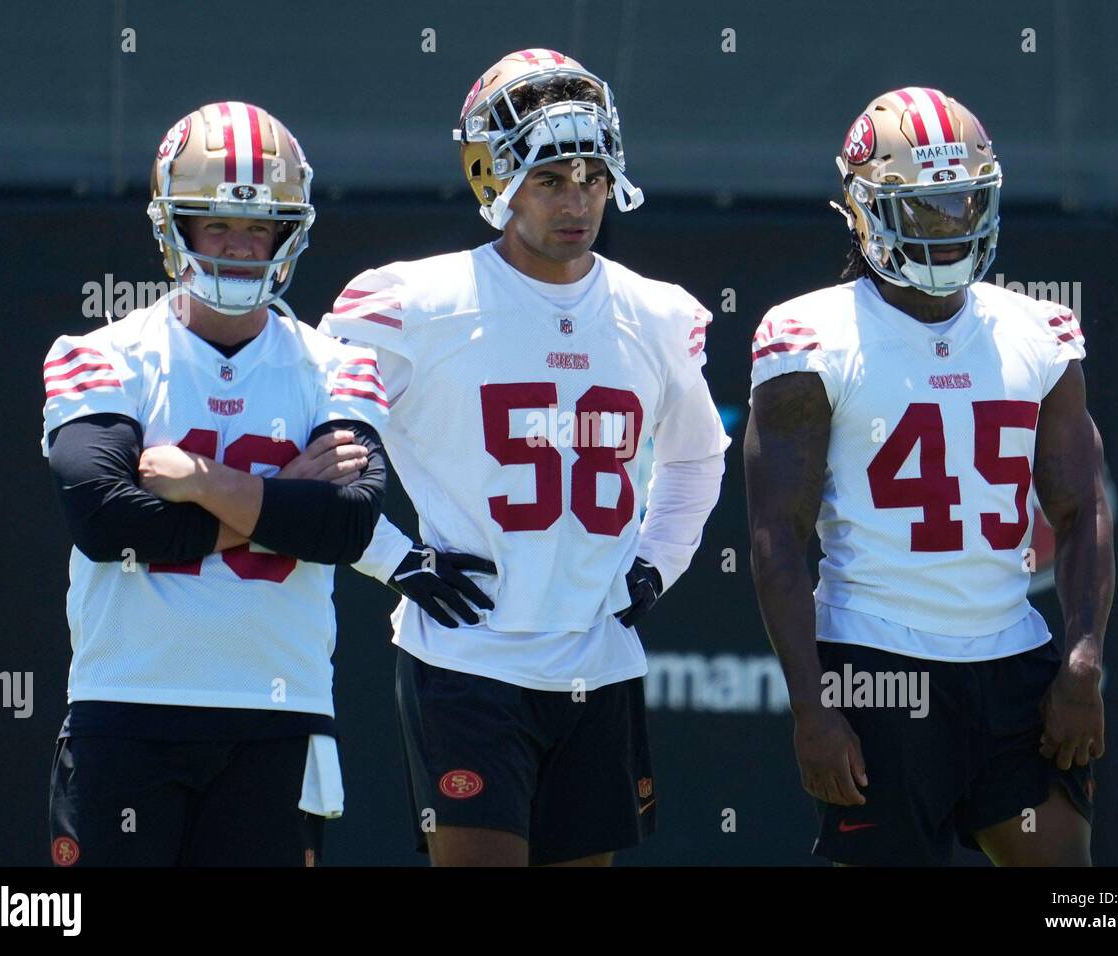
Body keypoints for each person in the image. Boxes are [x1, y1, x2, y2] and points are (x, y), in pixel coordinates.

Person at [320, 49, 730, 867]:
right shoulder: (414, 305)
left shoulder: (656, 314)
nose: (577, 199)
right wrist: (394, 559)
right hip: (467, 659)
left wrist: (657, 564)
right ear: (495, 180)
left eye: (591, 174)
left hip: (596, 661)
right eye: (550, 178)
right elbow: (319, 447)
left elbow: (695, 457)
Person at [745, 87, 1114, 866]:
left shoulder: (1039, 329)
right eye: (924, 206)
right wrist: (813, 708)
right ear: (866, 208)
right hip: (877, 665)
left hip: (1013, 660)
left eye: (962, 201)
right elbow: (778, 538)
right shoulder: (809, 336)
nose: (949, 225)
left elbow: (1082, 509)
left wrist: (1081, 662)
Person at [42, 101, 389, 866]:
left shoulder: (338, 363)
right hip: (127, 706)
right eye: (218, 226)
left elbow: (347, 524)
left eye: (260, 227)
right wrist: (279, 495)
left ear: (287, 234)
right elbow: (105, 522)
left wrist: (201, 483)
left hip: (279, 711)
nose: (239, 247)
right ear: (176, 229)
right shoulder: (100, 354)